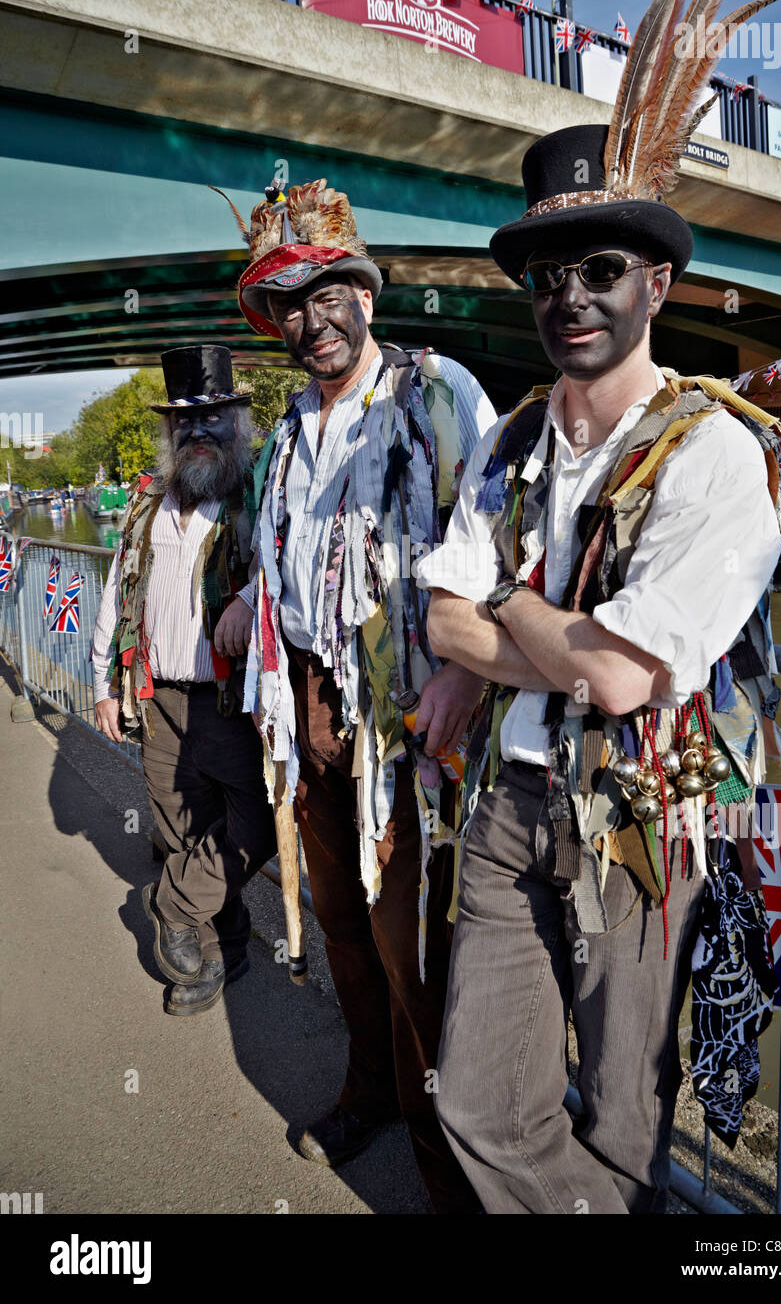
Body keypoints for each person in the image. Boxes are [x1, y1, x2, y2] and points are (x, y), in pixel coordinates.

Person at [415, 0, 781, 1212]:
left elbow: (624, 680)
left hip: (646, 815)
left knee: (625, 1107)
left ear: (656, 280)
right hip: (511, 793)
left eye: (600, 267)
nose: (568, 293)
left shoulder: (712, 455)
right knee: (474, 1095)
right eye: (544, 273)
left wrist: (502, 607)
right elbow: (437, 618)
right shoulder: (516, 435)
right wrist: (531, 634)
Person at [213, 176, 496, 1213]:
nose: (308, 319)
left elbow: (498, 551)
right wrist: (249, 595)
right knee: (339, 923)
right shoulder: (288, 431)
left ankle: (444, 1163)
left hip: (411, 734)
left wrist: (466, 666)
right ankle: (368, 1090)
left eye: (325, 292)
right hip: (307, 721)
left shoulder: (439, 393)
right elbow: (292, 550)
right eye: (286, 304)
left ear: (364, 295)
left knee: (413, 948)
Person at [92, 346, 277, 1016]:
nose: (198, 433)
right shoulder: (146, 502)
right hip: (159, 698)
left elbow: (290, 575)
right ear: (171, 433)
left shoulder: (259, 497)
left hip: (228, 703)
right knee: (179, 831)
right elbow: (118, 592)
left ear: (236, 424)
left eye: (213, 420)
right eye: (184, 423)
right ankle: (215, 956)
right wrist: (103, 684)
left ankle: (171, 907)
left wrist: (249, 594)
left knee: (252, 826)